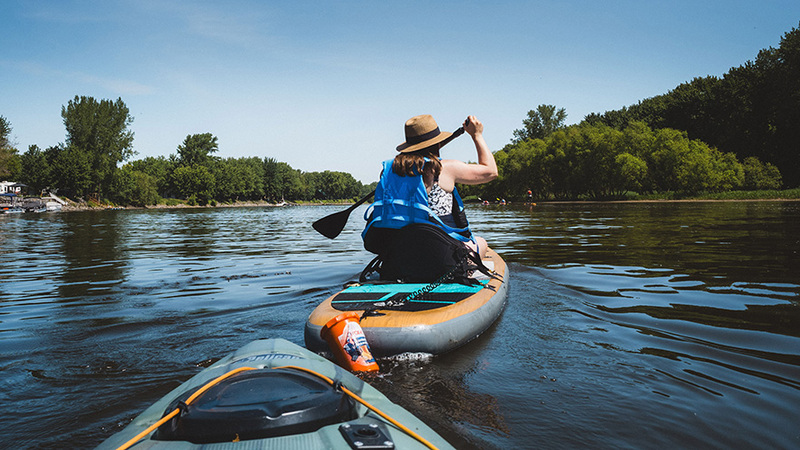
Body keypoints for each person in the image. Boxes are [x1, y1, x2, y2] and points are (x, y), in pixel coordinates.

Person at [362, 114, 497, 260]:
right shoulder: (445, 168)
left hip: (398, 254)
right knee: (482, 243)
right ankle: (468, 267)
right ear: (437, 143)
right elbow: (491, 172)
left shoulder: (388, 171)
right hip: (439, 255)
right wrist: (477, 135)